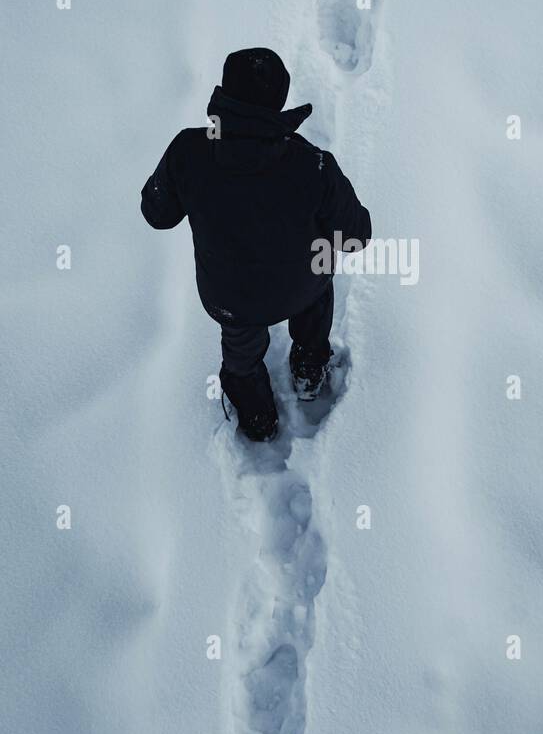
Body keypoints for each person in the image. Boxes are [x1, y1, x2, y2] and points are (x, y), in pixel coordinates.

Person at [141, 48, 371, 440]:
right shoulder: (314, 165)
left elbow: (157, 214)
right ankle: (309, 368)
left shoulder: (188, 152)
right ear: (279, 101)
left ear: (224, 93)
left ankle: (258, 419)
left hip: (230, 299)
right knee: (319, 276)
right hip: (301, 287)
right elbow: (355, 237)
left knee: (241, 356)